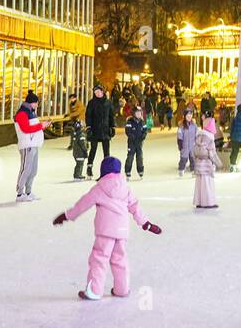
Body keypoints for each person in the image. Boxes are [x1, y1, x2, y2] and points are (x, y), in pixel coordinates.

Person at [53, 156, 162, 300]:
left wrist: (67, 216)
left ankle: (94, 291)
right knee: (120, 260)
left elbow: (82, 204)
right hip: (122, 232)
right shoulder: (125, 188)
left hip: (105, 232)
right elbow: (135, 206)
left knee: (99, 259)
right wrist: (146, 223)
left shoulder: (99, 188)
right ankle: (122, 290)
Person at [13, 91, 50, 202]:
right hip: (27, 145)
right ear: (31, 103)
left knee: (33, 170)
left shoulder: (31, 112)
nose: (37, 105)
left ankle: (28, 192)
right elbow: (26, 129)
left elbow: (33, 127)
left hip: (34, 144)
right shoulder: (22, 113)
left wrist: (42, 125)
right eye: (36, 103)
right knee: (26, 169)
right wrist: (41, 125)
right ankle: (20, 194)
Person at [84, 85, 114, 178]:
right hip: (94, 130)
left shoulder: (108, 103)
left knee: (106, 151)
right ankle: (89, 168)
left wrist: (112, 127)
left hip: (105, 130)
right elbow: (88, 115)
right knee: (93, 149)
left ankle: (107, 170)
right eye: (95, 92)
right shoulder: (91, 103)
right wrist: (88, 127)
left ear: (102, 91)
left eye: (98, 92)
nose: (97, 94)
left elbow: (111, 116)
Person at [192, 122, 222, 208]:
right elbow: (212, 154)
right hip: (207, 166)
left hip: (199, 165)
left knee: (200, 185)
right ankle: (208, 202)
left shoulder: (199, 136)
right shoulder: (210, 139)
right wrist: (219, 164)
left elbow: (195, 151)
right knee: (207, 185)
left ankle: (199, 202)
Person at [124, 104, 147, 179]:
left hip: (139, 143)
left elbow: (145, 131)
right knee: (130, 157)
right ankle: (128, 171)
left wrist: (143, 136)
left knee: (139, 157)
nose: (138, 115)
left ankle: (140, 170)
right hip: (131, 143)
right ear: (134, 114)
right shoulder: (130, 122)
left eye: (140, 113)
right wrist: (132, 137)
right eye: (137, 113)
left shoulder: (142, 122)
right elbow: (128, 131)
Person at [177, 111, 199, 177]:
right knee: (183, 158)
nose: (189, 117)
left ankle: (193, 171)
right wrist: (180, 144)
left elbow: (197, 134)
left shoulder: (194, 125)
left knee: (193, 159)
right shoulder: (181, 126)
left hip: (193, 145)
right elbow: (179, 135)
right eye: (187, 116)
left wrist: (197, 143)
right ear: (185, 116)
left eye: (190, 115)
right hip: (185, 145)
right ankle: (181, 169)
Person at [69, 113, 89, 180]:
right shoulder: (81, 136)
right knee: (80, 164)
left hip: (76, 153)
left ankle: (77, 174)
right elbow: (83, 145)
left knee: (78, 164)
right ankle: (78, 175)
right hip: (80, 153)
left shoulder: (76, 135)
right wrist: (85, 151)